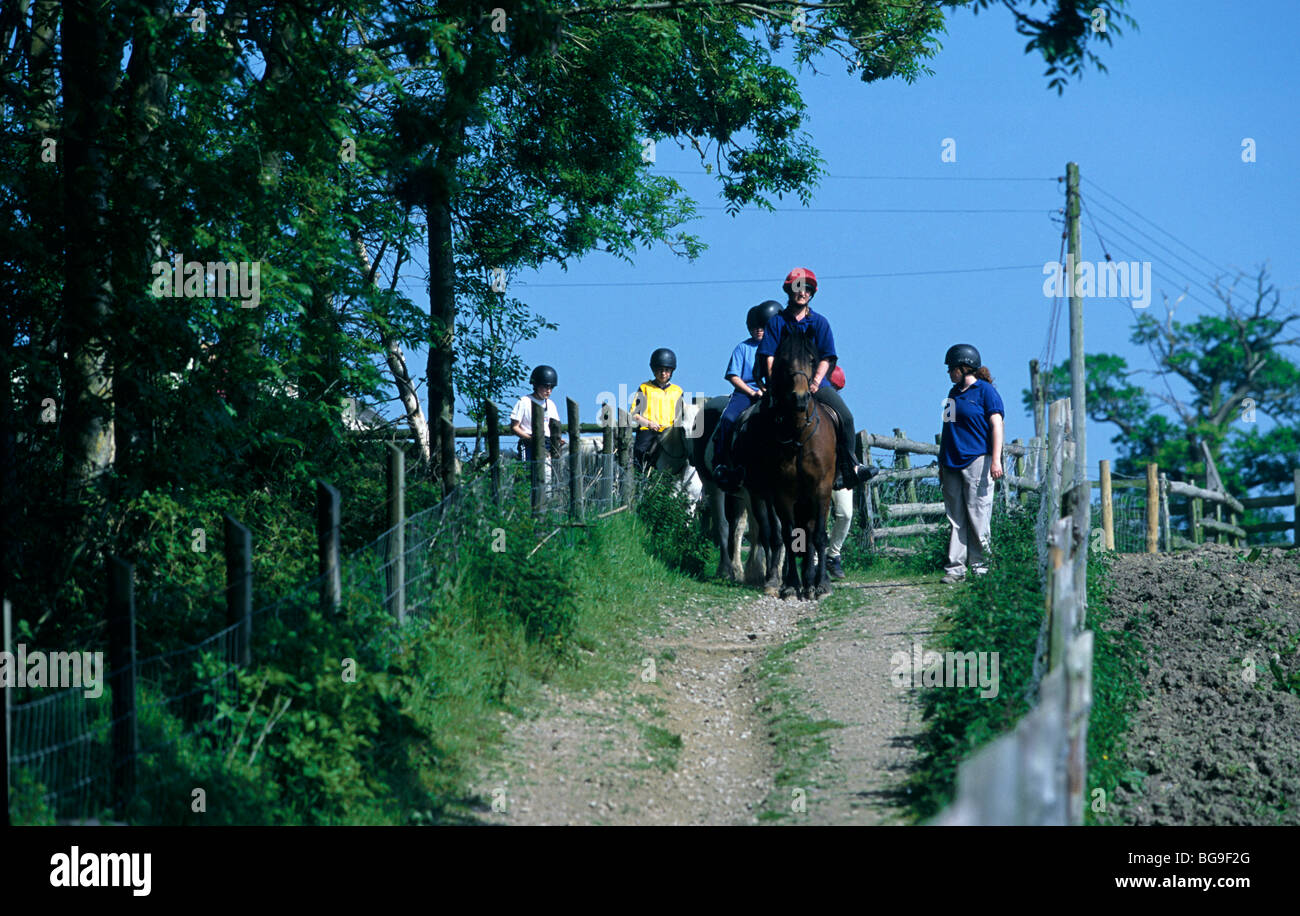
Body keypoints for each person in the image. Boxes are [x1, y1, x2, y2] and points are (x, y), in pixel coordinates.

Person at [755, 267, 875, 488]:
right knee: (756, 418)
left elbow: (827, 356)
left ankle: (850, 467)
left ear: (811, 293)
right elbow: (768, 355)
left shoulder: (820, 322)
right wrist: (772, 383)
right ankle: (751, 469)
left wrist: (816, 382)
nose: (802, 293)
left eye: (807, 289)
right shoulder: (776, 323)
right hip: (783, 386)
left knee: (846, 417)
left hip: (816, 384)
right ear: (790, 290)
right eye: (798, 288)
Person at [938, 344, 1005, 584]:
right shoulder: (952, 394)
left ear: (964, 367)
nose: (949, 373)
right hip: (952, 462)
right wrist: (941, 463)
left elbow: (997, 425)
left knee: (978, 515)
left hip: (978, 459)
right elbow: (946, 429)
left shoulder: (986, 392)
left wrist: (995, 460)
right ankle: (955, 569)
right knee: (955, 517)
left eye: (951, 368)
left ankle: (981, 568)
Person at [713, 300, 783, 491]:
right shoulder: (742, 348)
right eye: (754, 328)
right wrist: (752, 391)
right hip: (746, 393)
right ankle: (721, 462)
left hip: (772, 392)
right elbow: (733, 375)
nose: (758, 331)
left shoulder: (778, 347)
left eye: (761, 327)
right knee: (727, 418)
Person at [630, 348, 685, 471]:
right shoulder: (644, 388)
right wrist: (649, 424)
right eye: (660, 370)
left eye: (667, 370)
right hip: (649, 430)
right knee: (640, 450)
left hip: (671, 432)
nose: (663, 373)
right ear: (654, 370)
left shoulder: (677, 391)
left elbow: (681, 415)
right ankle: (639, 477)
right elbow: (634, 414)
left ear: (671, 372)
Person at [824, 364, 854, 579]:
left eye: (838, 391)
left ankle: (833, 555)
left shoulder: (837, 415)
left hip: (838, 470)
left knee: (845, 514)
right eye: (834, 390)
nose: (836, 395)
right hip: (818, 473)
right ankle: (815, 560)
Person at [510, 365, 563, 468]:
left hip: (547, 443)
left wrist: (557, 439)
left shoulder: (551, 405)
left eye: (551, 387)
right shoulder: (524, 401)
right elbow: (514, 427)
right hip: (528, 443)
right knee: (528, 472)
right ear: (536, 385)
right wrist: (530, 438)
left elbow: (554, 427)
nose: (549, 391)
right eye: (545, 386)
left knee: (549, 472)